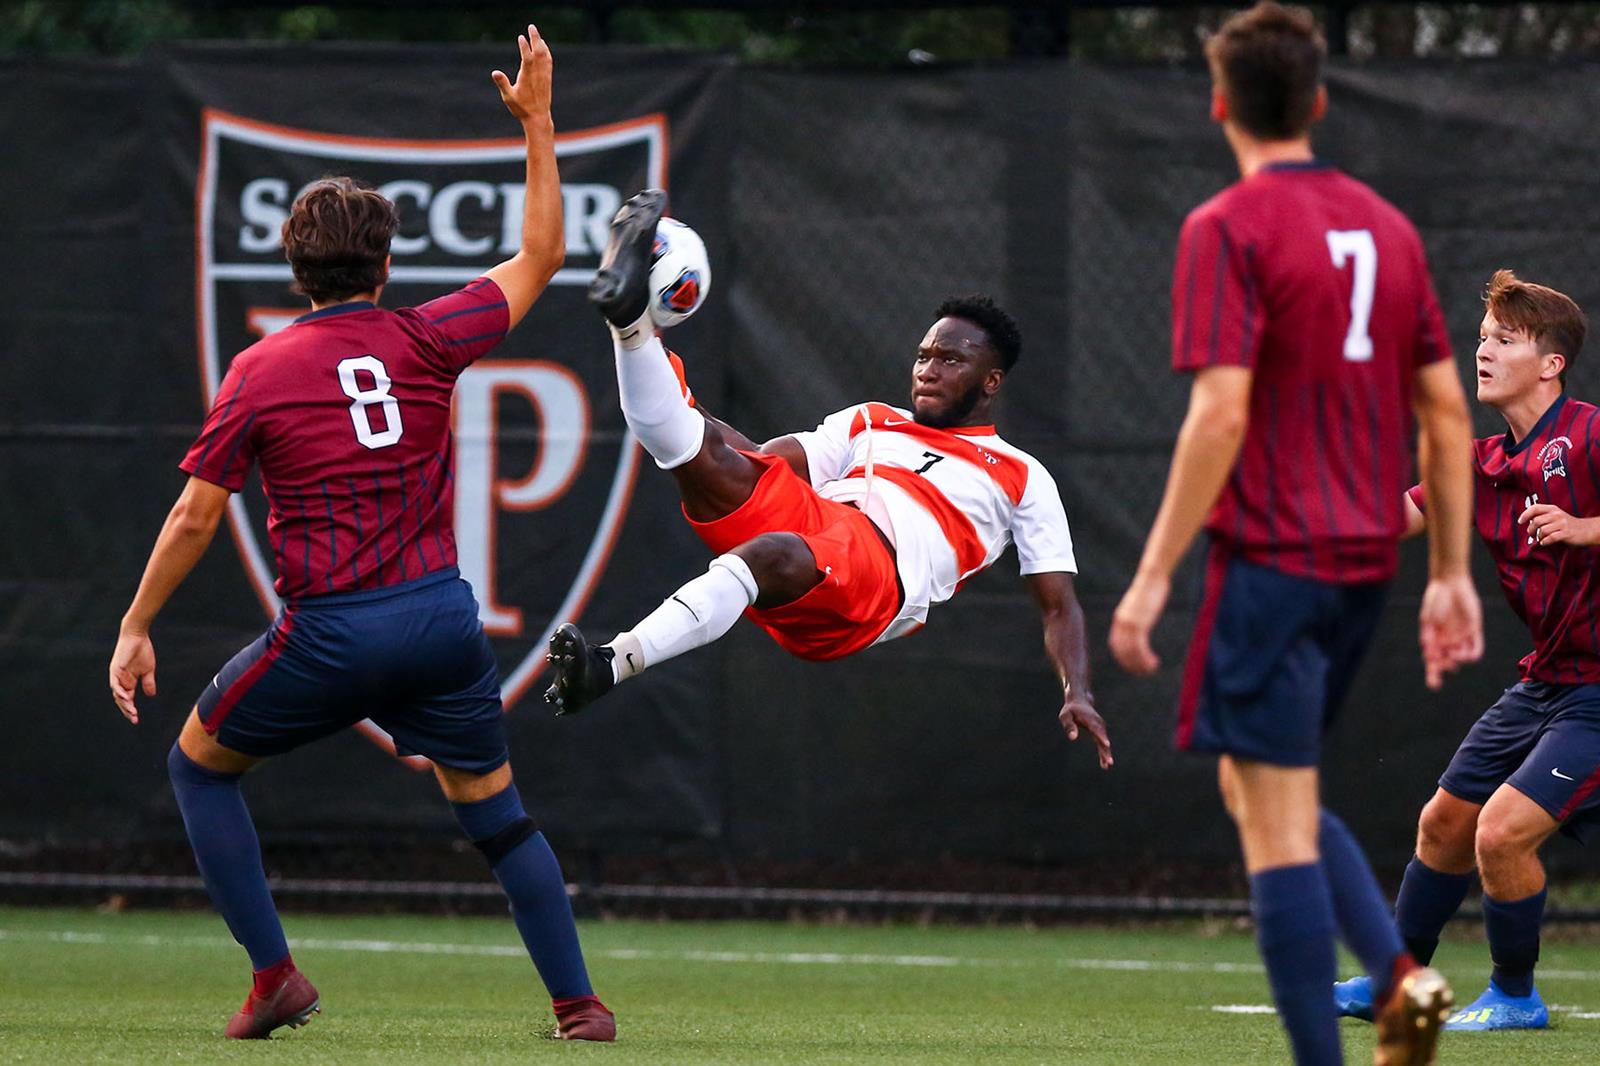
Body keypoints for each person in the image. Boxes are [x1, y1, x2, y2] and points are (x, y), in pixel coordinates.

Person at [106, 26, 615, 1043]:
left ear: (294, 269)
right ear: (384, 264)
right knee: (498, 815)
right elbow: (544, 255)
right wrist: (540, 123)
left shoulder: (260, 370)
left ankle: (276, 977)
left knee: (198, 768)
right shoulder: (428, 336)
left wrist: (134, 625)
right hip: (440, 623)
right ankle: (580, 1004)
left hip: (332, 631)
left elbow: (198, 512)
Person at [1105, 4, 1483, 1064]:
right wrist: (1449, 571)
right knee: (1264, 784)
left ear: (1218, 102)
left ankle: (1364, 1024)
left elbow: (1219, 413)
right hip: (1363, 563)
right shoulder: (1391, 229)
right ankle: (1403, 980)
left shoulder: (1224, 227)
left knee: (1269, 823)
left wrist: (1147, 579)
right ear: (1317, 102)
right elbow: (1445, 415)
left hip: (1272, 559)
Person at [542, 190, 1112, 770]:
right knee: (702, 458)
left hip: (881, 582)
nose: (927, 370)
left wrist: (1078, 691)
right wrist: (691, 419)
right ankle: (631, 327)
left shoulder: (1022, 475)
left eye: (950, 360)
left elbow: (1059, 606)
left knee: (773, 547)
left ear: (990, 381)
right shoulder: (872, 420)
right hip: (824, 532)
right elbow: (762, 461)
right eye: (923, 355)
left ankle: (612, 662)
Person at [1333, 271, 1595, 1032]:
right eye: (1481, 338)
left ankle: (1515, 996)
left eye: (1503, 341)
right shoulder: (1480, 462)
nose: (1481, 351)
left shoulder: (1588, 434)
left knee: (1501, 833)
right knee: (1444, 823)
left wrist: (1586, 527)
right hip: (1547, 681)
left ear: (1550, 363)